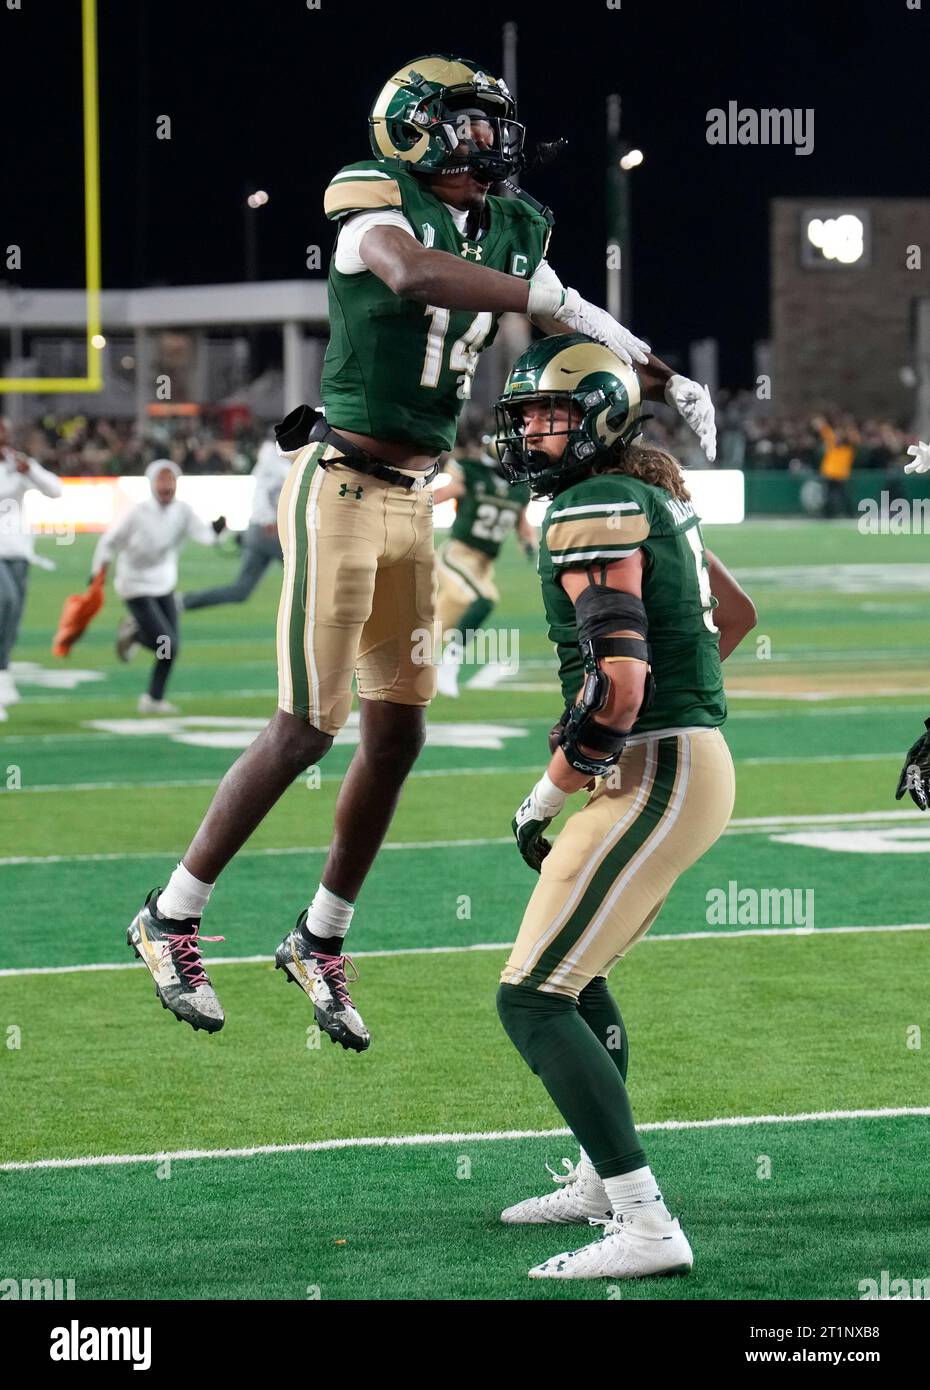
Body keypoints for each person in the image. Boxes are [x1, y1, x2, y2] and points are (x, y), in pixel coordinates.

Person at [125, 53, 719, 1047]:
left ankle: (320, 936)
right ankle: (172, 912)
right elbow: (411, 271)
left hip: (413, 503)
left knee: (397, 734)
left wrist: (658, 375)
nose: (489, 141)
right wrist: (531, 290)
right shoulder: (376, 202)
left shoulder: (511, 229)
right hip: (342, 489)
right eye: (469, 123)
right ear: (412, 128)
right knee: (309, 726)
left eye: (493, 124)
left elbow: (570, 310)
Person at [491, 334, 757, 1281]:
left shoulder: (595, 501)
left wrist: (547, 791)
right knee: (573, 972)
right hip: (671, 761)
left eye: (550, 415)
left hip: (659, 768)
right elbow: (735, 615)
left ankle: (647, 1224)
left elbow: (619, 685)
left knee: (530, 999)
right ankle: (607, 1187)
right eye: (523, 414)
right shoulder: (647, 495)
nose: (530, 431)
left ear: (599, 415)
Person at [90, 460, 225, 714]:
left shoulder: (183, 510)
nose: (167, 485)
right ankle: (135, 633)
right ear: (152, 483)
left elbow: (204, 535)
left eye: (171, 480)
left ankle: (153, 698)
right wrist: (98, 570)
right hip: (135, 586)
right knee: (168, 645)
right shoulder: (136, 512)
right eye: (162, 480)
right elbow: (109, 542)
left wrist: (217, 531)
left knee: (170, 650)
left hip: (164, 585)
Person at [432, 435, 534, 697]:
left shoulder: (520, 489)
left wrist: (531, 548)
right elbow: (443, 494)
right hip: (458, 554)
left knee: (434, 626)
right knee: (484, 599)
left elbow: (522, 522)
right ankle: (449, 664)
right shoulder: (473, 474)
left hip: (483, 565)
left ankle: (409, 666)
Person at [179, 435, 289, 613]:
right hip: (268, 531)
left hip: (258, 530)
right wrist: (268, 518)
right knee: (308, 574)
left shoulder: (270, 460)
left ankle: (182, 602)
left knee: (240, 590)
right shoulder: (275, 462)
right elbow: (264, 493)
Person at [0, 416, 64, 720]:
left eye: (5, 431)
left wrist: (31, 471)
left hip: (19, 552)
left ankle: (3, 671)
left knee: (13, 615)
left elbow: (55, 490)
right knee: (6, 600)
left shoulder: (18, 463)